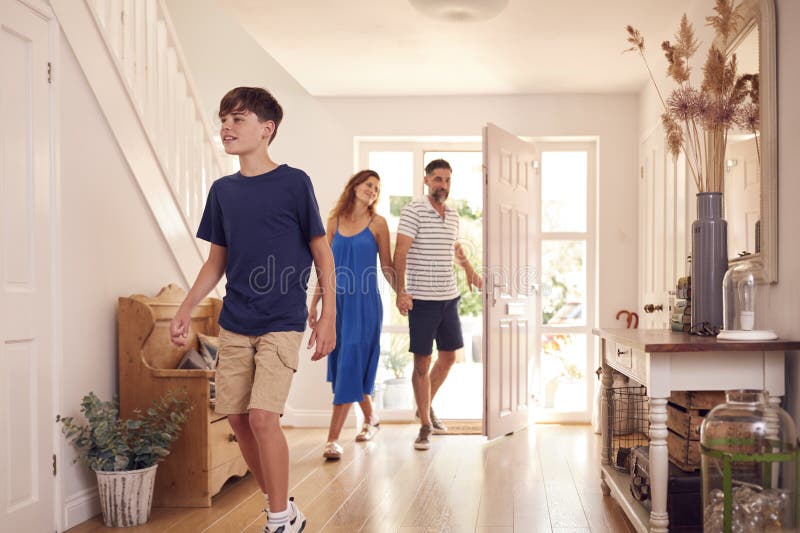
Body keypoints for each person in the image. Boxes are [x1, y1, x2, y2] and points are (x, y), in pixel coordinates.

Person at [169, 87, 335, 533]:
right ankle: (284, 506)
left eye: (237, 119)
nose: (226, 126)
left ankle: (279, 520)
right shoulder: (222, 191)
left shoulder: (294, 183)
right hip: (235, 322)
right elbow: (216, 261)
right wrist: (187, 307)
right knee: (239, 419)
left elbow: (322, 253)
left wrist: (327, 316)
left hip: (282, 320)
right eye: (223, 118)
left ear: (267, 129)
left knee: (263, 417)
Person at [393, 158, 483, 450]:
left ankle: (424, 404)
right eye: (437, 179)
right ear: (426, 180)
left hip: (449, 297)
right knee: (422, 361)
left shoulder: (453, 214)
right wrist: (401, 291)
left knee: (448, 358)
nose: (442, 185)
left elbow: (453, 247)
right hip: (422, 299)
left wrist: (469, 269)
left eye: (447, 180)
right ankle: (424, 426)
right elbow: (401, 252)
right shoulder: (413, 210)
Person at [309, 170, 397, 460]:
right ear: (355, 186)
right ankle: (372, 419)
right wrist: (315, 304)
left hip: (365, 304)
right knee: (345, 364)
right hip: (337, 304)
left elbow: (386, 266)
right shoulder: (333, 222)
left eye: (377, 188)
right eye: (368, 184)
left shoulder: (378, 224)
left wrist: (403, 292)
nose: (372, 190)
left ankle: (332, 439)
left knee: (350, 364)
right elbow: (324, 267)